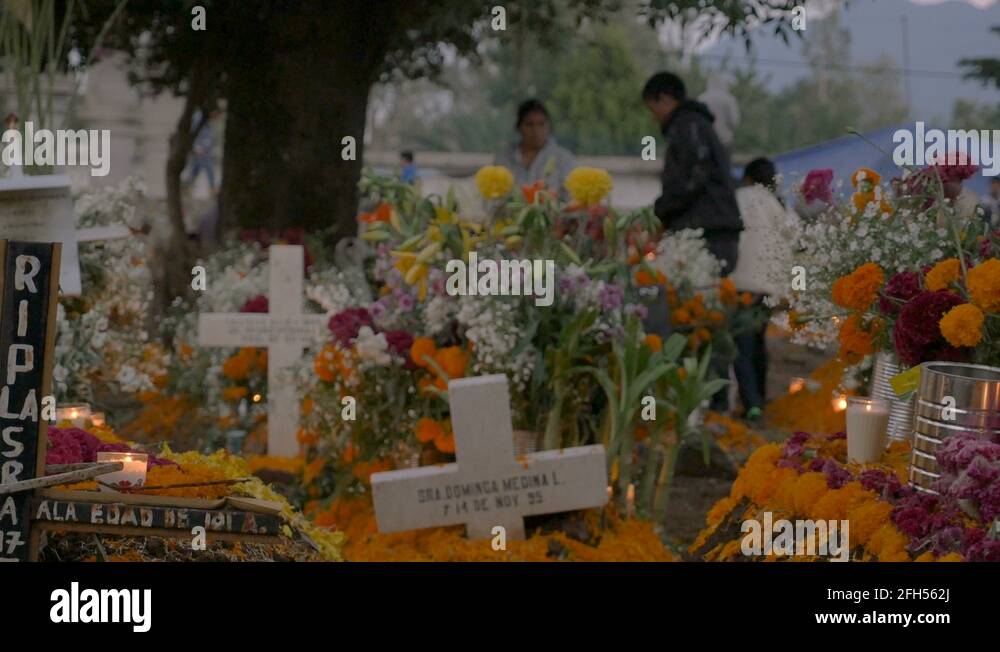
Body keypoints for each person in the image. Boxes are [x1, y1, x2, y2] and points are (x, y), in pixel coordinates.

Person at [642, 72, 743, 274]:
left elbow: (692, 178)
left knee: (696, 296)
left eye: (653, 110)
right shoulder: (696, 124)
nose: (654, 118)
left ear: (665, 99)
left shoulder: (688, 125)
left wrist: (660, 213)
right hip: (715, 230)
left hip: (709, 234)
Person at [729, 158, 797, 420]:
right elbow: (795, 236)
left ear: (747, 177)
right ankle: (760, 398)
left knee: (741, 345)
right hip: (769, 286)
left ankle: (752, 404)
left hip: (742, 283)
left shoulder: (737, 197)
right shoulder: (777, 203)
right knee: (757, 341)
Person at [495, 99, 576, 193]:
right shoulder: (504, 159)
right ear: (519, 127)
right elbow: (491, 199)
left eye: (541, 124)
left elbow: (572, 199)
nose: (536, 131)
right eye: (529, 124)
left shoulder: (563, 159)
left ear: (549, 126)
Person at [186, 108, 219, 193]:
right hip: (201, 149)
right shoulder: (198, 117)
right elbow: (193, 132)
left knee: (196, 169)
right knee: (208, 167)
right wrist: (196, 146)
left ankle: (187, 186)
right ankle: (212, 187)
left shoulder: (206, 119)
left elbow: (208, 135)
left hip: (205, 149)